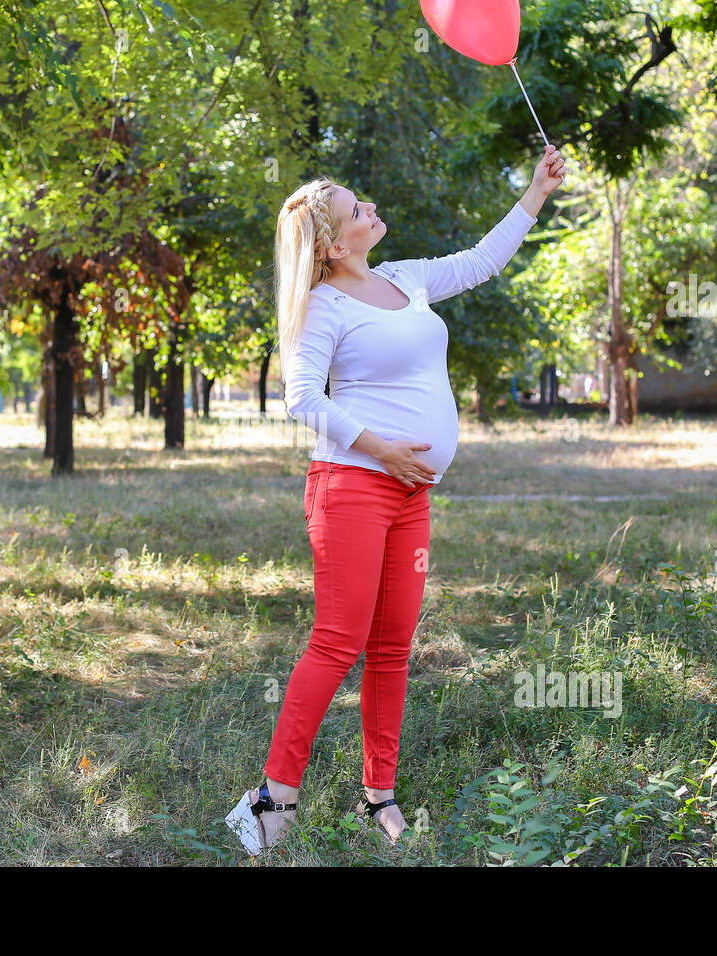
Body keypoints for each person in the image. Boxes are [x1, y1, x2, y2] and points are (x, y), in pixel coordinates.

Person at [227, 146, 568, 854]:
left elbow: (480, 261)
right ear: (331, 240)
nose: (373, 211)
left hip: (412, 496)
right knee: (337, 641)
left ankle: (377, 795)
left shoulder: (403, 279)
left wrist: (535, 191)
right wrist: (380, 448)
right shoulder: (321, 307)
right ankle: (271, 801)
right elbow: (299, 398)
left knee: (391, 646)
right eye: (359, 210)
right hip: (352, 488)